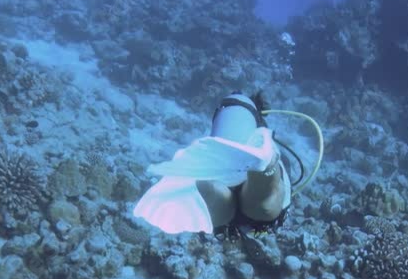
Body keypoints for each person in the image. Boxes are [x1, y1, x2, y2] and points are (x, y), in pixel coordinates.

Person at [133, 92, 322, 236]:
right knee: (265, 198)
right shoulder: (256, 134)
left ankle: (197, 179)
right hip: (257, 215)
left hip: (221, 202)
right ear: (260, 119)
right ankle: (266, 163)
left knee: (214, 189)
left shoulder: (220, 142)